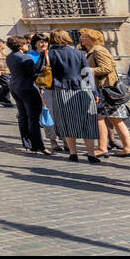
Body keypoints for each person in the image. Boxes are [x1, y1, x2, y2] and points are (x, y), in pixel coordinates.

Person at [43, 29, 101, 162]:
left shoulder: (49, 54)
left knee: (67, 122)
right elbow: (87, 73)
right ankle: (91, 154)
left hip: (61, 90)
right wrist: (95, 92)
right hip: (83, 89)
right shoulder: (79, 53)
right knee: (87, 122)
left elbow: (40, 70)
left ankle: (73, 153)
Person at [80, 28, 130, 159]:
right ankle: (128, 148)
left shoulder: (98, 50)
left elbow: (107, 68)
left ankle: (102, 148)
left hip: (106, 90)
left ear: (91, 38)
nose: (81, 38)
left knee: (100, 118)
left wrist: (87, 70)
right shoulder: (94, 50)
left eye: (84, 36)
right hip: (107, 90)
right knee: (116, 120)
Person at [4, 36, 47, 155]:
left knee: (23, 116)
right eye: (25, 44)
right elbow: (35, 72)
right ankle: (38, 145)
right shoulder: (25, 57)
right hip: (27, 88)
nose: (28, 45)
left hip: (15, 87)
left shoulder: (10, 56)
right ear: (20, 46)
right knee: (34, 117)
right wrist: (43, 56)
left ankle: (26, 142)